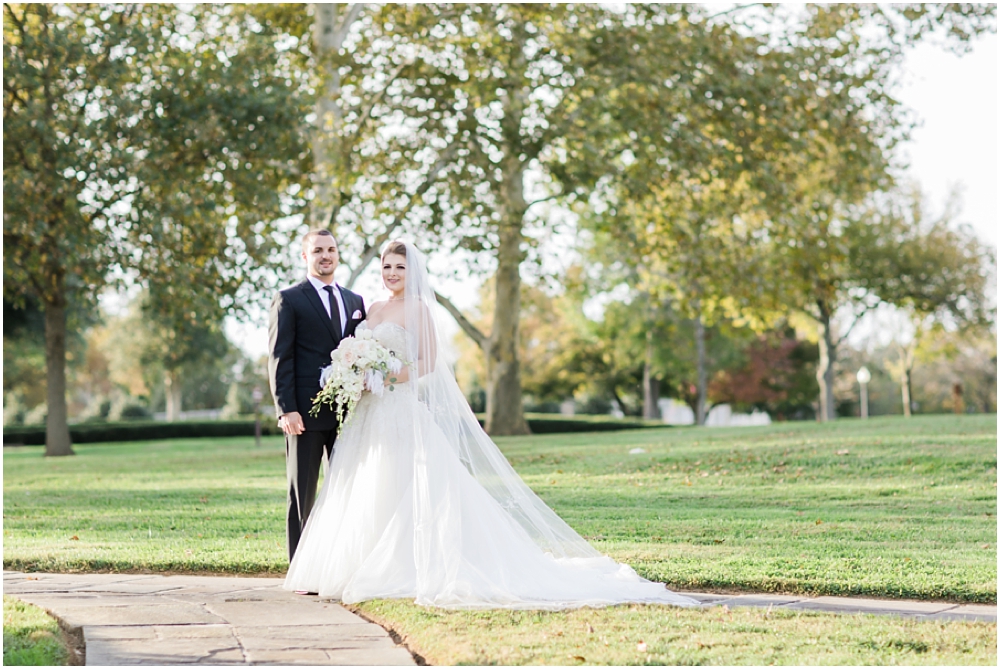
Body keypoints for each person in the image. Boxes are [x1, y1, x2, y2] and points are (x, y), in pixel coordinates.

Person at [284, 240, 696, 610]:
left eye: (400, 268)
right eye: (387, 267)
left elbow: (427, 363)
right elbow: (355, 349)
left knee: (404, 486)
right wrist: (356, 371)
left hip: (400, 408)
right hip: (368, 416)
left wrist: (388, 376)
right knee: (363, 487)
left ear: (414, 274)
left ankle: (404, 564)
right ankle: (354, 563)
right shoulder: (370, 308)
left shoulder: (419, 309)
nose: (391, 274)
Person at [268, 230, 367, 563]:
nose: (326, 255)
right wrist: (287, 409)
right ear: (305, 257)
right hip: (305, 414)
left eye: (331, 249)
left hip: (348, 412)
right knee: (303, 493)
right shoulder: (289, 299)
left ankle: (340, 562)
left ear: (338, 255)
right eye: (318, 250)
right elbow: (280, 357)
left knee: (348, 489)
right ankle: (301, 566)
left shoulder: (355, 302)